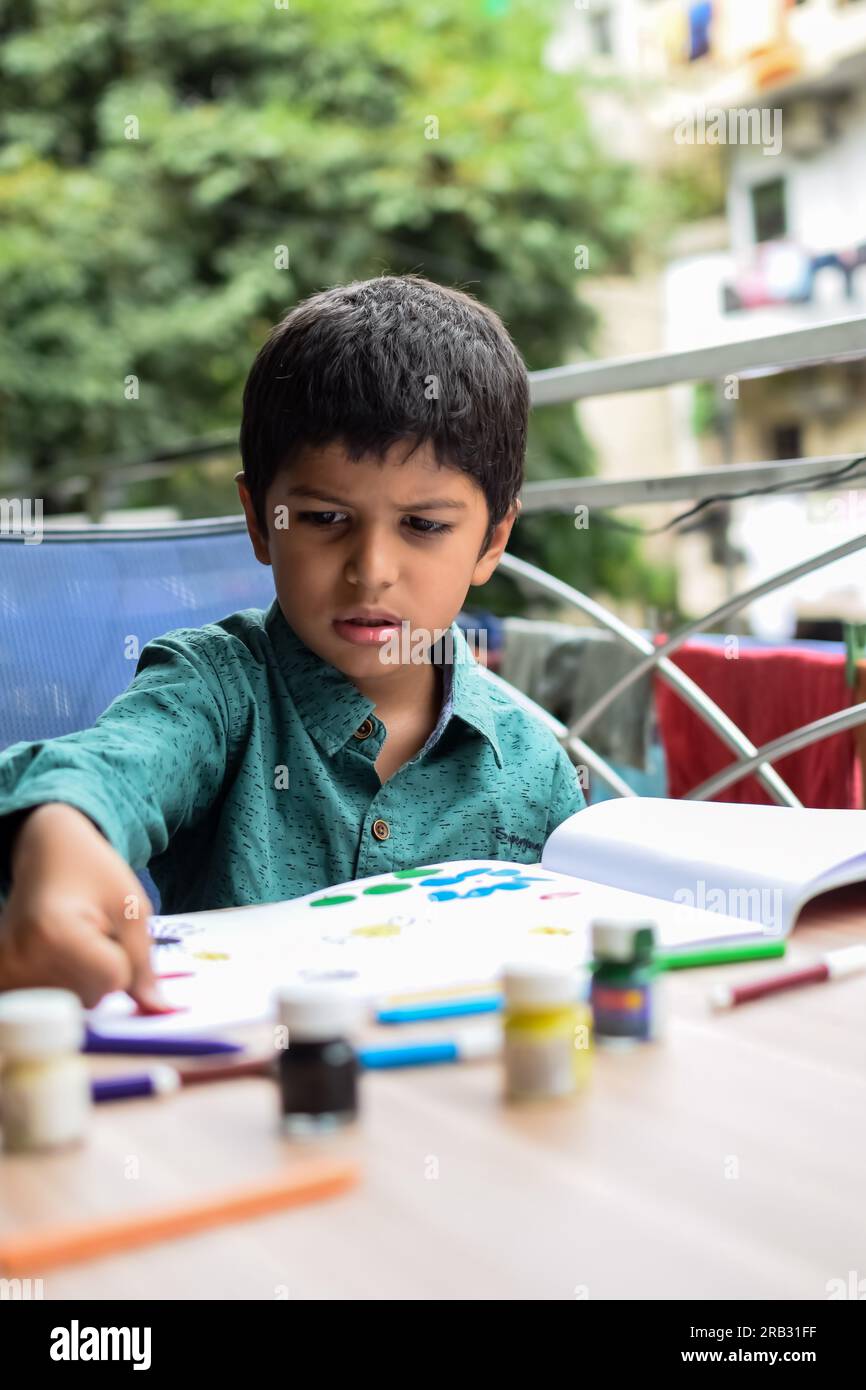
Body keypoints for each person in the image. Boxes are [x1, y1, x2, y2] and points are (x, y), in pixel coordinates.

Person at [0, 275, 585, 1008]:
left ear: (492, 539)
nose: (370, 572)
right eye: (321, 518)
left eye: (425, 526)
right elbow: (112, 768)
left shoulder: (534, 763)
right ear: (258, 519)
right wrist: (61, 826)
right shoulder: (212, 691)